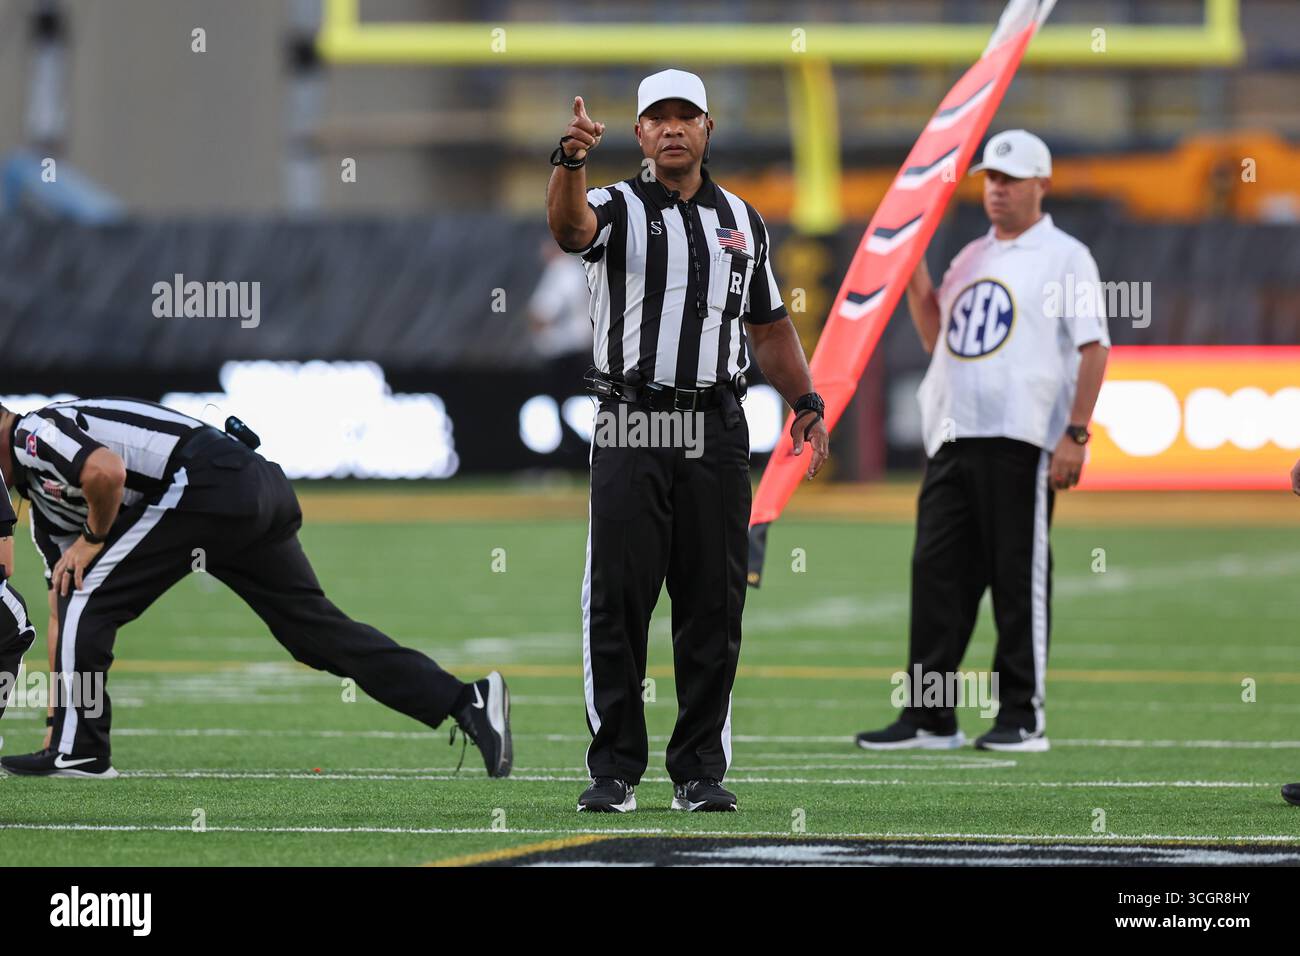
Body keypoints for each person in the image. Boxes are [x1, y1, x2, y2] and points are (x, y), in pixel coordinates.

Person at [546, 69, 829, 812]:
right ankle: (613, 769)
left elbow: (766, 325)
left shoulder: (743, 219)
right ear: (639, 133)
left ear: (708, 128)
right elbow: (570, 230)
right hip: (634, 416)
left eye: (686, 117)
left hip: (715, 422)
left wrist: (804, 399)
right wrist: (570, 160)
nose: (672, 129)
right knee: (618, 598)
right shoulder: (612, 203)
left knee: (712, 601)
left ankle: (700, 770)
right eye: (657, 118)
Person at [0, 397, 511, 778]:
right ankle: (467, 702)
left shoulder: (33, 433)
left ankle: (84, 749)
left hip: (212, 481)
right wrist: (53, 721)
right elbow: (61, 607)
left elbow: (105, 471)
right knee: (316, 636)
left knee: (92, 600)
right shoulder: (37, 500)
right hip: (247, 489)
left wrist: (92, 537)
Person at [857, 130, 1109, 753]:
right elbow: (938, 337)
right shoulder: (969, 255)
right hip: (953, 432)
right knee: (936, 575)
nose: (996, 189)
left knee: (1017, 578)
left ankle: (1022, 715)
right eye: (991, 179)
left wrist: (1076, 433)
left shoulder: (1066, 255)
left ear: (1041, 184)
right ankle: (930, 714)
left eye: (1010, 179)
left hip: (1021, 435)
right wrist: (914, 272)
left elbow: (1094, 346)